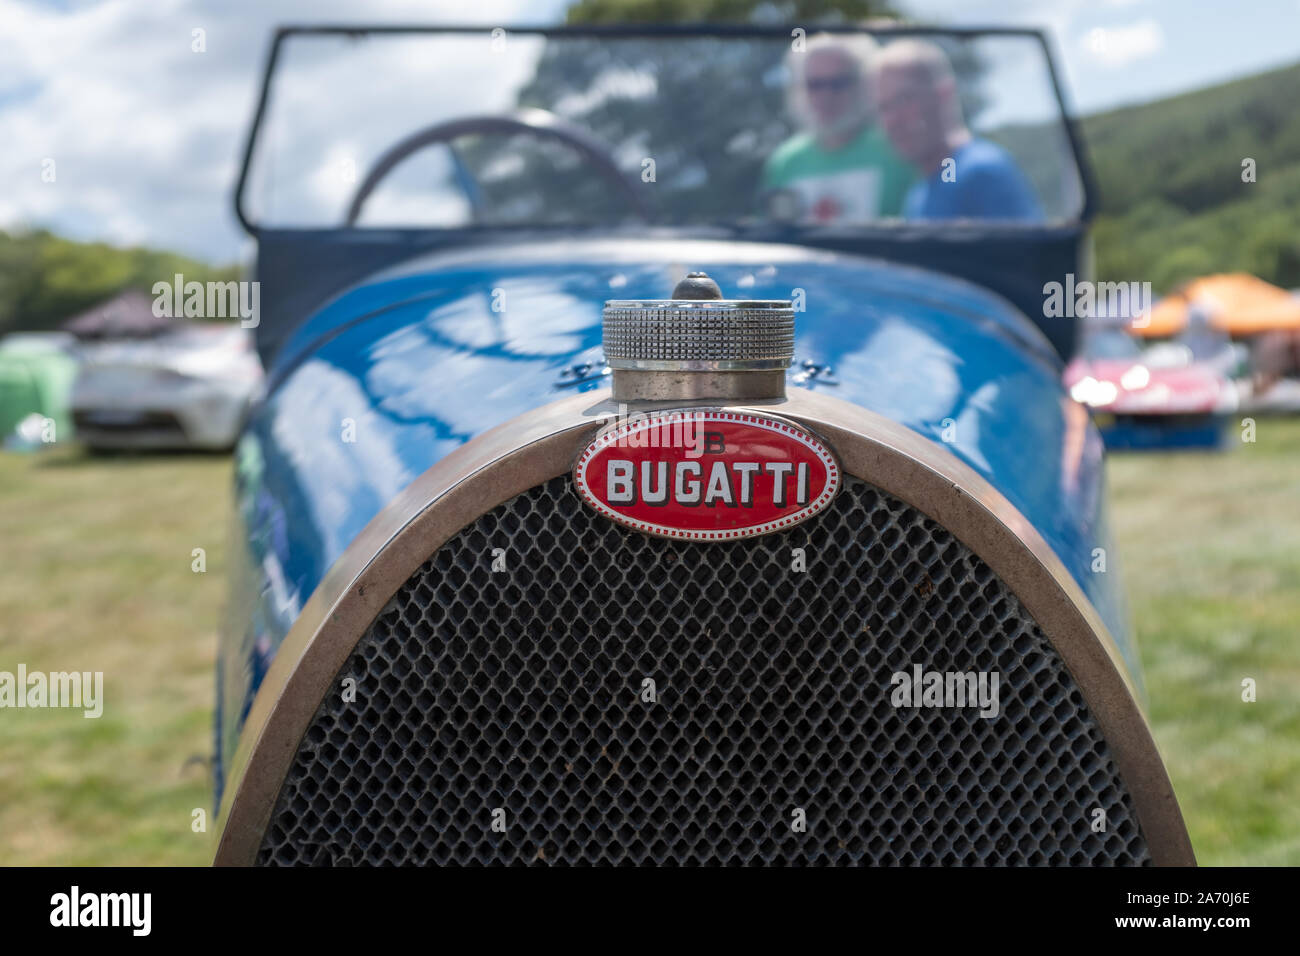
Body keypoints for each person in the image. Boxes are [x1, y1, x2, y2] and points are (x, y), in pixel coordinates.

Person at [872, 39, 1043, 222]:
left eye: (904, 99)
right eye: (884, 107)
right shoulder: (922, 192)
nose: (892, 120)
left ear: (944, 94)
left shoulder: (980, 172)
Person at [761, 34, 914, 223]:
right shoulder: (785, 162)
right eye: (815, 85)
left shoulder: (898, 150)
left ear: (865, 85)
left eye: (838, 83)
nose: (826, 96)